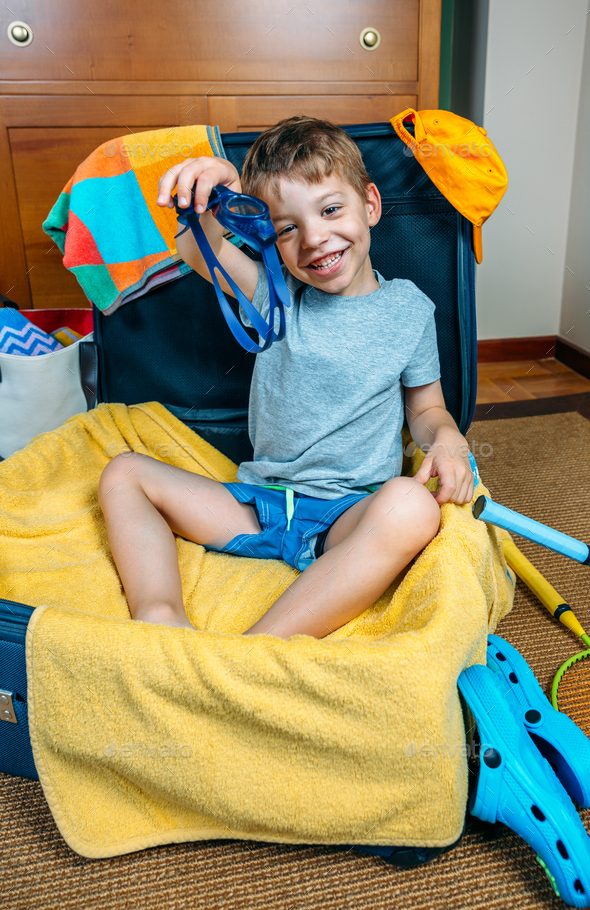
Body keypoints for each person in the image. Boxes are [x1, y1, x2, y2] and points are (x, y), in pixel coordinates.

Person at [98, 116, 474, 640]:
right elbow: (196, 251)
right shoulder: (272, 296)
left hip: (348, 513)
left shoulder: (409, 310)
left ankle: (259, 647)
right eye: (287, 228)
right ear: (270, 241)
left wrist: (450, 438)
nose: (315, 238)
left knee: (411, 508)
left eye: (330, 210)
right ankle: (161, 619)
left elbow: (426, 411)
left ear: (370, 205)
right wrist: (213, 187)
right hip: (259, 503)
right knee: (122, 473)